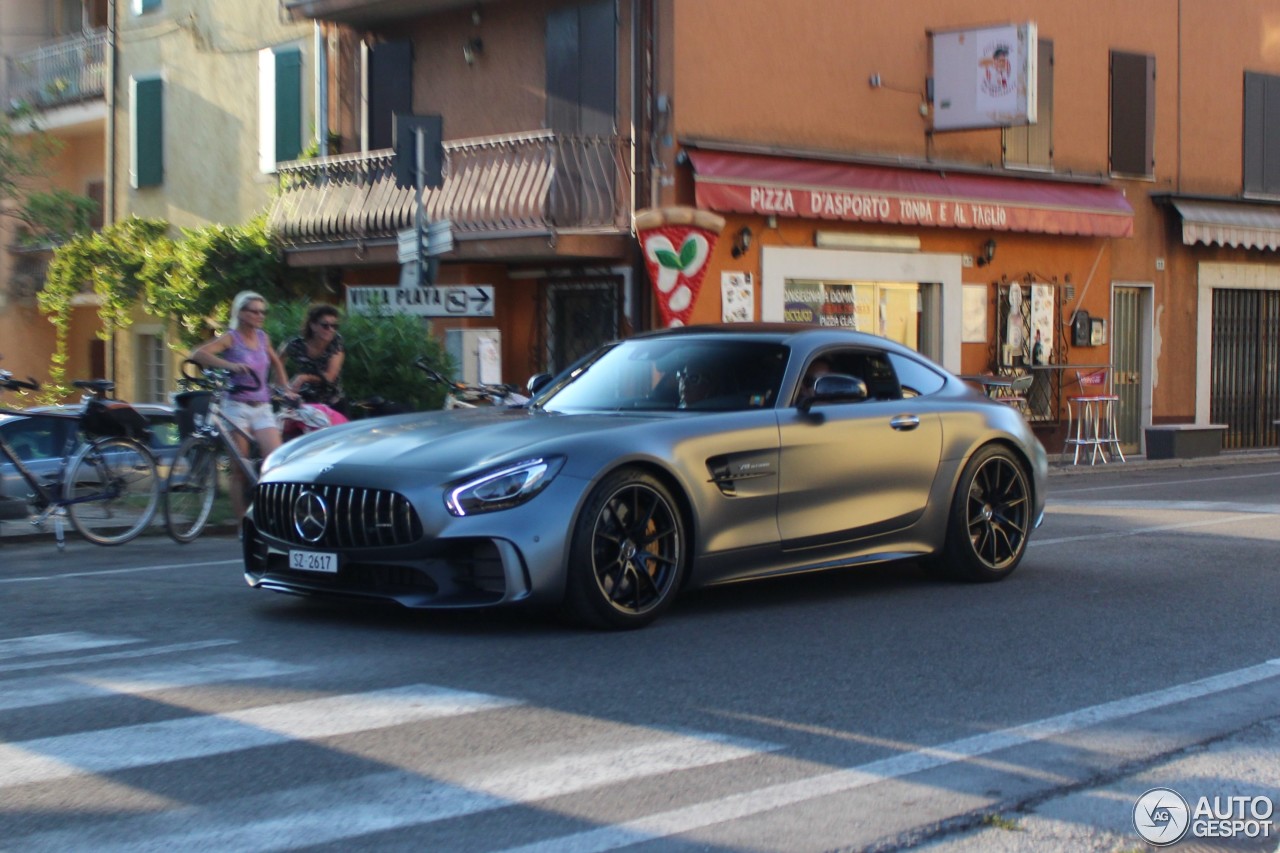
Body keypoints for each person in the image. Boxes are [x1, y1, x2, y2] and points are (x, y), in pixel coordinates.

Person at [189, 291, 293, 517]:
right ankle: (241, 525)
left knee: (275, 462)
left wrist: (285, 389)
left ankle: (272, 514)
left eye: (262, 312)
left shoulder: (263, 338)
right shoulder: (231, 338)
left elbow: (277, 363)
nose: (259, 316)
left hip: (262, 406)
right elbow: (199, 354)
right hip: (237, 406)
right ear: (241, 313)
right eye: (254, 311)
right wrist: (229, 365)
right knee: (240, 470)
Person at [279, 304, 347, 415]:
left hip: (333, 403)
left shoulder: (336, 342)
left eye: (334, 326)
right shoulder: (297, 344)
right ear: (313, 326)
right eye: (325, 326)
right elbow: (278, 360)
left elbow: (330, 377)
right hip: (305, 403)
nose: (331, 330)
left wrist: (303, 378)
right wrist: (282, 387)